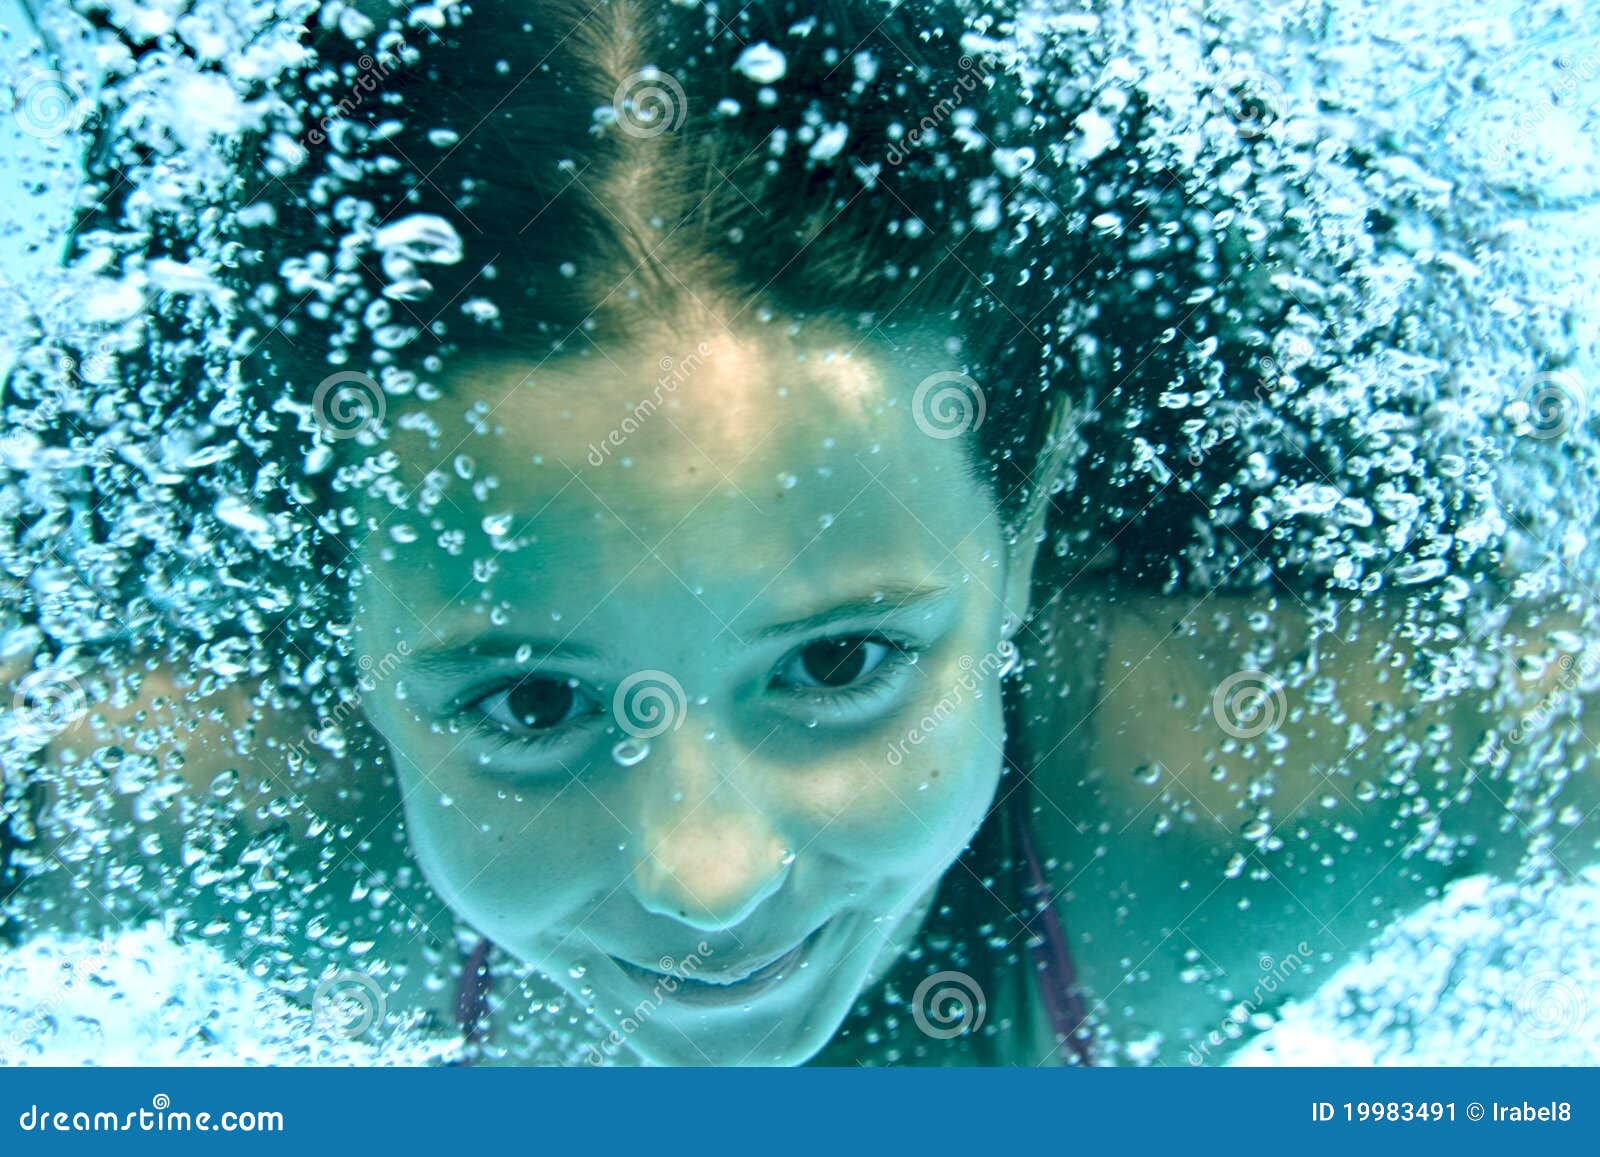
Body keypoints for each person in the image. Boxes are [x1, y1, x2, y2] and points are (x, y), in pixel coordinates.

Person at [2, 0, 1596, 1067]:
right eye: (530, 703)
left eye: (838, 661)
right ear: (339, 616)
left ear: (1030, 511)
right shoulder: (244, 822)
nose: (705, 875)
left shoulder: (1217, 788)